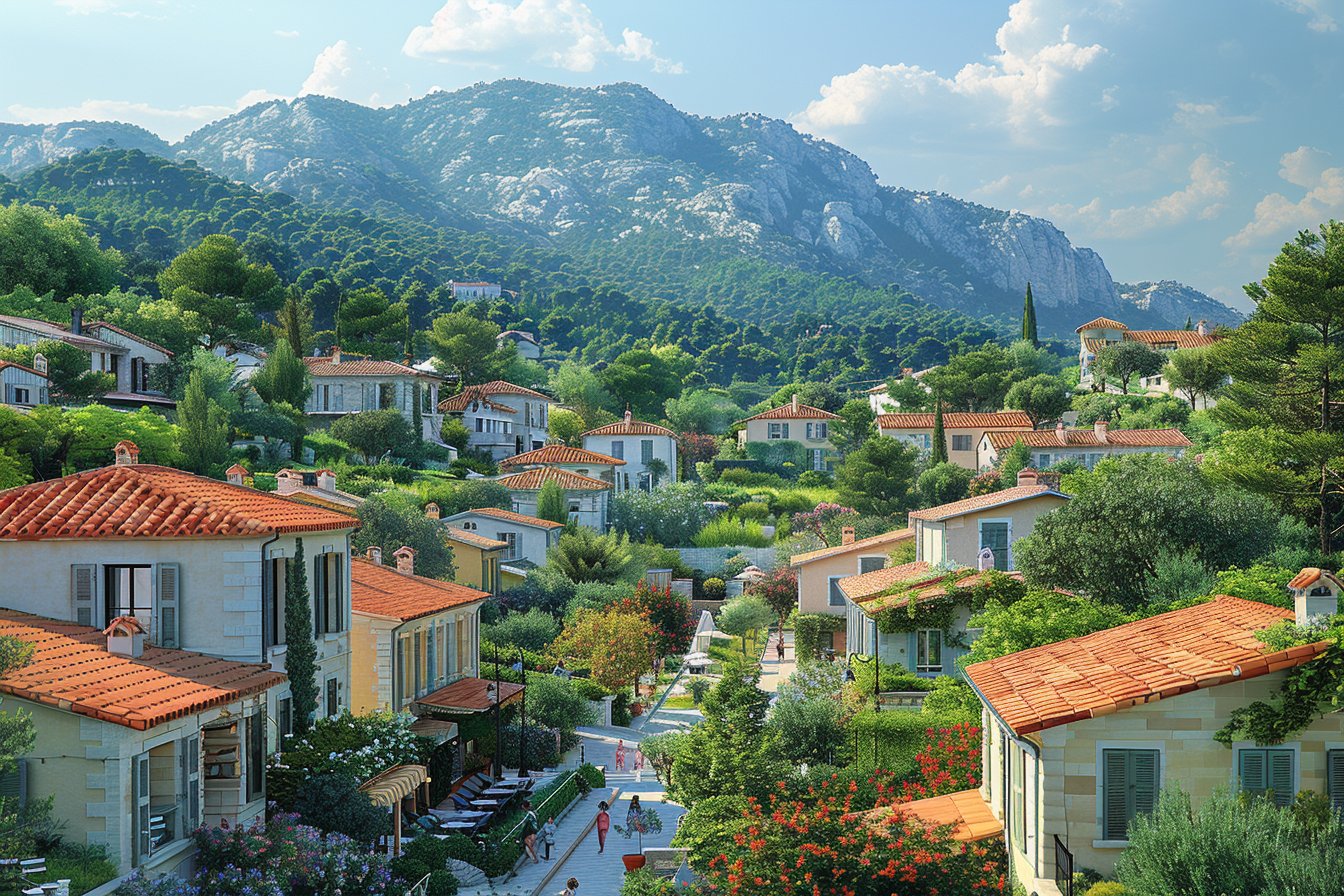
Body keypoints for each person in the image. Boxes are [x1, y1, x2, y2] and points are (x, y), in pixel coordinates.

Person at [520, 799, 539, 864]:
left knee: (529, 844)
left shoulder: (528, 815)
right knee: (530, 844)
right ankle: (534, 857)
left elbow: (523, 823)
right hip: (533, 830)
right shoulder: (532, 812)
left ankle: (535, 858)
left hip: (530, 831)